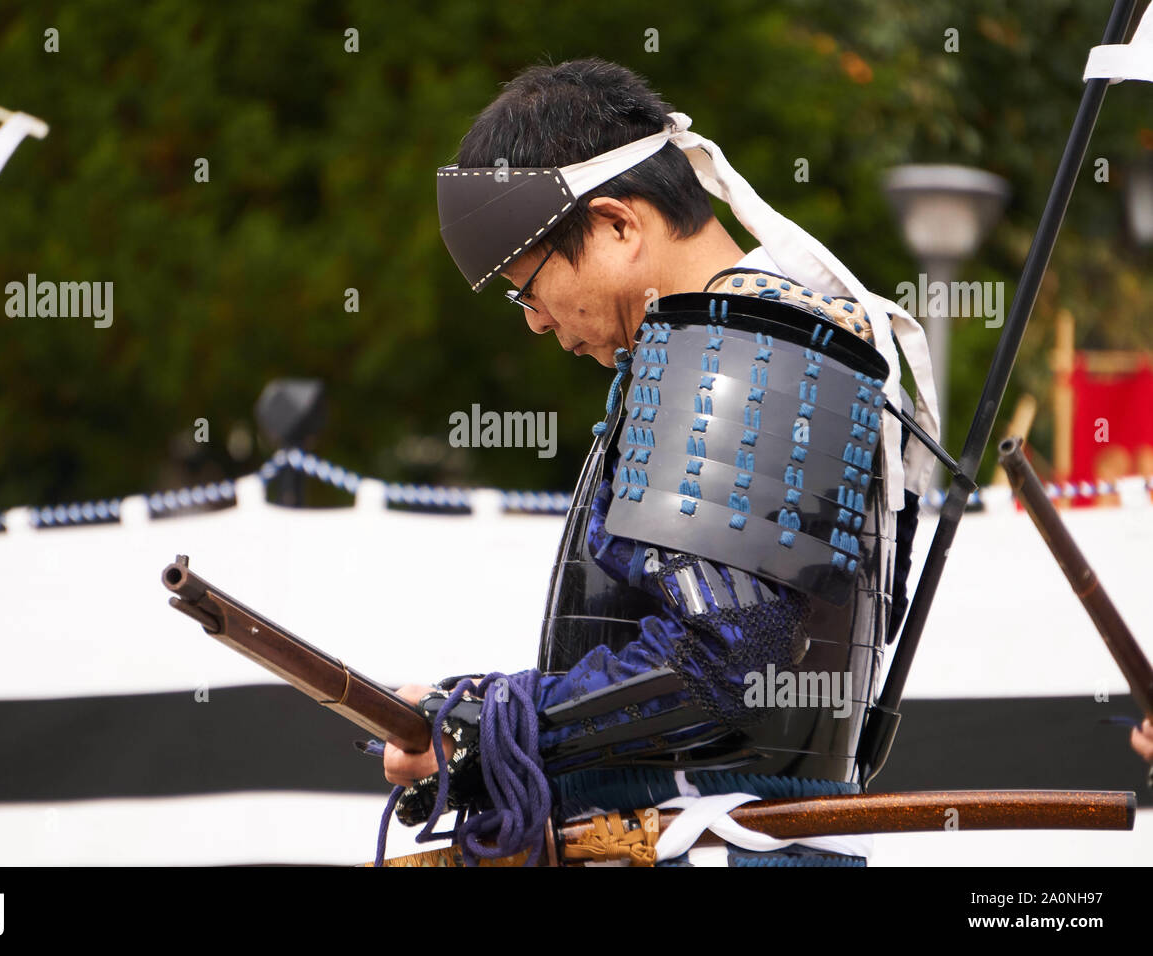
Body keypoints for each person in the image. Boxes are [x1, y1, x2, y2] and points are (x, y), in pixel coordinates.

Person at [378, 58, 940, 867]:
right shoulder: (743, 346)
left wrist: (494, 721)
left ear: (616, 224)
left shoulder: (741, 345)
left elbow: (728, 660)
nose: (535, 322)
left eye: (528, 286)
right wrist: (468, 722)